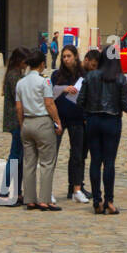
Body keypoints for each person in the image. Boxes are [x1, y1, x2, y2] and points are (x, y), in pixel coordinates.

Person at [81, 47, 127, 215]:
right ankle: (109, 201)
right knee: (109, 162)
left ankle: (97, 201)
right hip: (112, 121)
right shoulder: (120, 78)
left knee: (95, 161)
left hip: (93, 120)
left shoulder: (91, 76)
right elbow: (124, 104)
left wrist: (87, 115)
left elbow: (80, 100)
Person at [17, 48, 63, 212]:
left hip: (27, 122)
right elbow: (49, 103)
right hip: (42, 122)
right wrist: (57, 121)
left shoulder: (21, 82)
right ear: (42, 64)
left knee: (29, 163)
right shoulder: (45, 81)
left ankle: (29, 199)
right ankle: (44, 199)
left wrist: (22, 124)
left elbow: (19, 107)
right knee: (47, 162)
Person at [50, 44, 90, 203]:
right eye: (64, 57)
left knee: (77, 155)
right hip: (59, 118)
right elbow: (50, 95)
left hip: (77, 118)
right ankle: (48, 189)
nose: (66, 59)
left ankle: (76, 189)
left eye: (69, 56)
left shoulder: (84, 75)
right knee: (52, 153)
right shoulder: (56, 75)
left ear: (75, 56)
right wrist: (64, 89)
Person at [0, 48, 29, 207]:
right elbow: (20, 100)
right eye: (25, 60)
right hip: (16, 120)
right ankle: (3, 193)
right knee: (15, 157)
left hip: (16, 120)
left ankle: (18, 193)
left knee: (19, 157)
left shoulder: (16, 74)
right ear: (19, 60)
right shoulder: (14, 76)